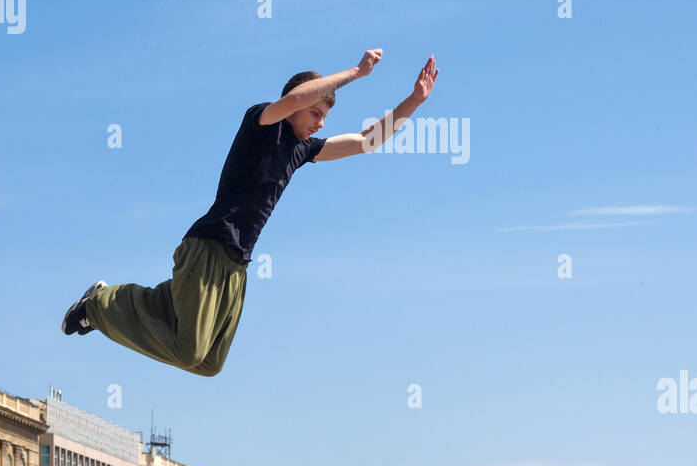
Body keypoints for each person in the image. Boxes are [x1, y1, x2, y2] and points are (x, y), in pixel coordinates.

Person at [61, 49, 438, 378]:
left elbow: (367, 141)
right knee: (188, 350)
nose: (321, 122)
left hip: (236, 265)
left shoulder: (303, 150)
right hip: (209, 245)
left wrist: (414, 100)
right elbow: (293, 101)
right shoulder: (262, 122)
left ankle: (157, 300)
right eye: (317, 112)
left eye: (325, 116)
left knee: (208, 363)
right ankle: (101, 302)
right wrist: (356, 73)